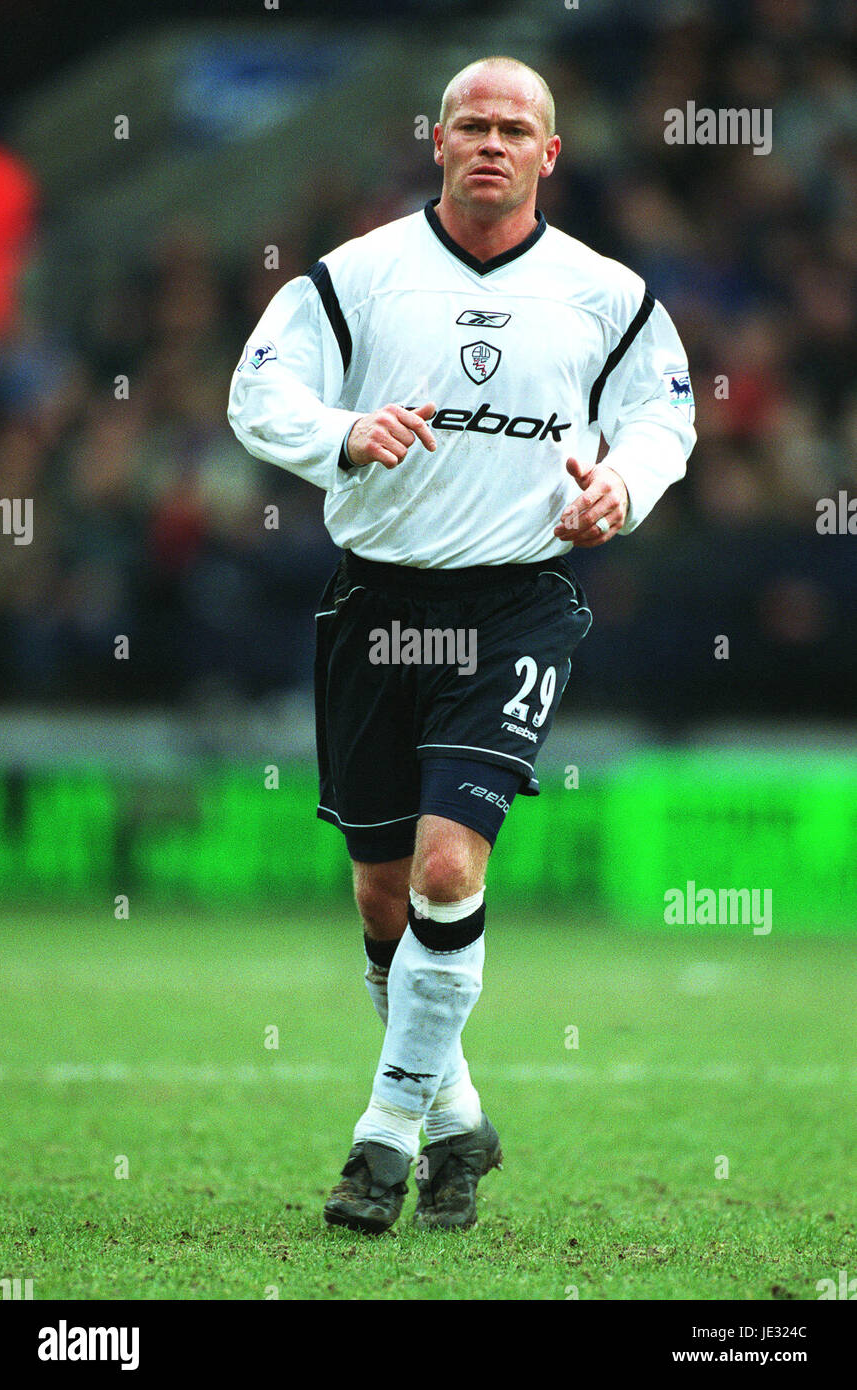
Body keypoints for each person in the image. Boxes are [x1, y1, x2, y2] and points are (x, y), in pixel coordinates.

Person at [227, 55, 696, 1233]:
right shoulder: (357, 277)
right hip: (376, 607)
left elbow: (663, 416)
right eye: (471, 123)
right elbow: (257, 390)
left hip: (514, 606)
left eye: (515, 127)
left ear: (550, 155)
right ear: (434, 139)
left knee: (448, 868)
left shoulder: (606, 294)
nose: (490, 141)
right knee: (385, 895)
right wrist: (341, 432)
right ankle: (458, 1118)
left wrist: (621, 491)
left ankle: (380, 1143)